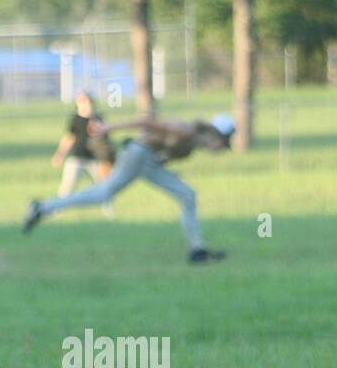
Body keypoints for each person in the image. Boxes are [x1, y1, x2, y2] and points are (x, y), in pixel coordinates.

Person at [23, 113, 233, 263]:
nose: (222, 149)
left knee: (187, 195)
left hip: (147, 161)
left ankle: (198, 250)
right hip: (138, 153)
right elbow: (145, 122)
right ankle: (42, 207)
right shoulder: (184, 130)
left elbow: (161, 160)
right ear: (215, 134)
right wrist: (108, 128)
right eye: (224, 142)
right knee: (103, 194)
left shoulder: (190, 147)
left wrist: (169, 175)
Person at [51, 90, 115, 203]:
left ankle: (109, 211)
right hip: (77, 157)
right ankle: (57, 209)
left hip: (94, 159)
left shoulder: (97, 119)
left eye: (88, 101)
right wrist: (60, 155)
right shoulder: (76, 119)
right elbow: (69, 138)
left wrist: (107, 160)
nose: (87, 104)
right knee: (67, 187)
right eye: (82, 101)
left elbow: (106, 141)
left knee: (104, 187)